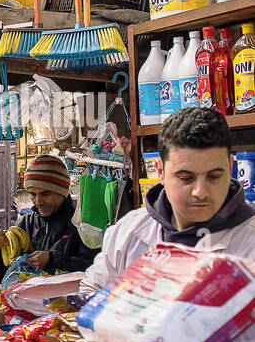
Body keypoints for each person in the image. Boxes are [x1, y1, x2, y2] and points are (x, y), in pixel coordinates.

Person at [82, 108, 255, 293]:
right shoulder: (128, 232)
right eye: (186, 178)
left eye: (214, 176)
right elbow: (90, 292)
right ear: (160, 172)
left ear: (230, 167)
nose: (200, 192)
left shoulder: (250, 242)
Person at [0, 154, 97, 280]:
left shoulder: (81, 225)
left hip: (69, 298)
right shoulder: (25, 224)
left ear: (62, 191)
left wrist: (53, 260)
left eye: (46, 194)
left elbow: (96, 269)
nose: (38, 202)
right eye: (33, 194)